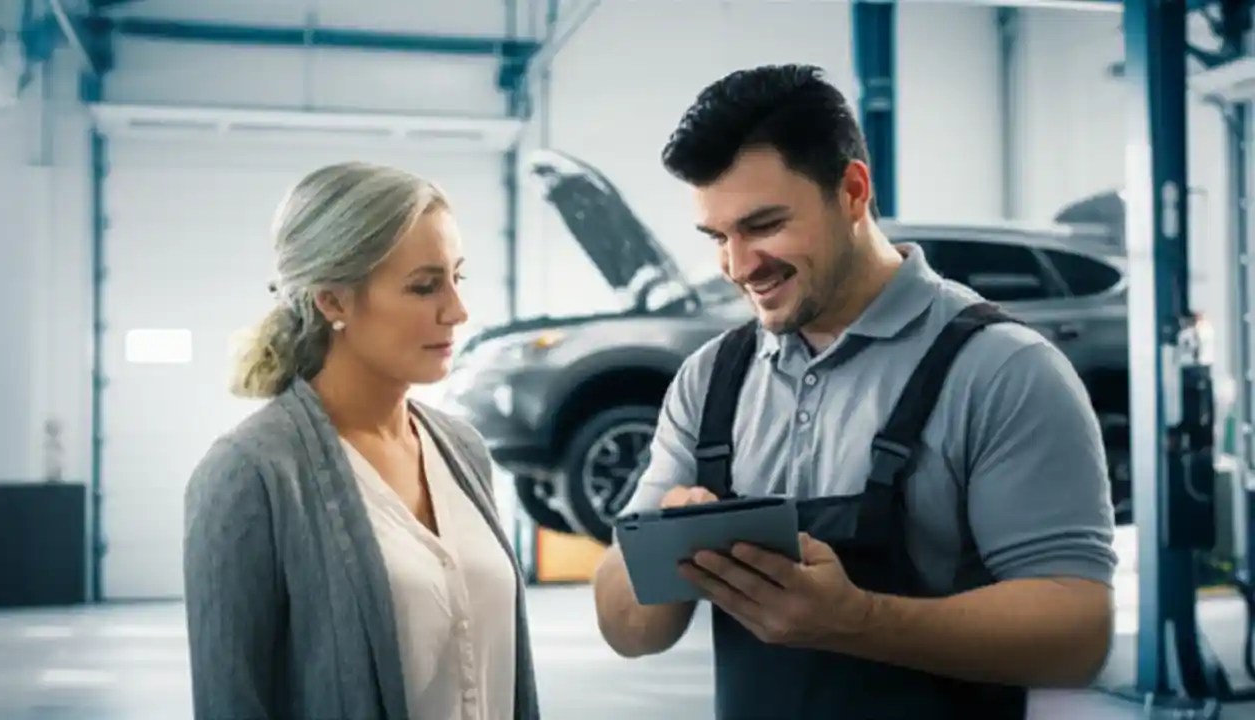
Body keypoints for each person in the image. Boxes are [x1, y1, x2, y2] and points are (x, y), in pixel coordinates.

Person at [592, 64, 1117, 719]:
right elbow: (625, 628)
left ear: (852, 191)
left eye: (764, 225)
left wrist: (858, 620)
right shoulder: (710, 382)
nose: (738, 265)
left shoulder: (1003, 371)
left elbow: (1078, 635)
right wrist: (666, 546)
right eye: (718, 237)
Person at [182, 162, 539, 720]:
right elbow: (231, 702)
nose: (457, 310)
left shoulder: (461, 451)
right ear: (333, 301)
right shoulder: (250, 473)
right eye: (424, 286)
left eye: (456, 278)